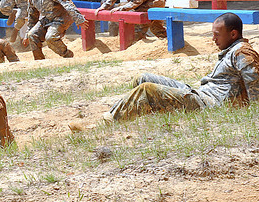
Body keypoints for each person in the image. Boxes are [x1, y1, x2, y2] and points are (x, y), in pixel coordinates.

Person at [106, 13, 259, 121]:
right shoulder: (232, 50)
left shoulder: (243, 52)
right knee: (142, 78)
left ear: (233, 34)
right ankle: (127, 114)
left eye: (217, 35)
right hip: (200, 94)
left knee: (147, 89)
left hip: (208, 104)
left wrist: (253, 115)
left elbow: (254, 85)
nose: (213, 39)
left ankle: (110, 120)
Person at [19, 0, 89, 60]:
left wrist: (78, 18)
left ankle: (68, 56)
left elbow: (66, 2)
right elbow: (32, 17)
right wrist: (27, 35)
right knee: (32, 35)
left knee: (50, 38)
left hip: (61, 18)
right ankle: (39, 61)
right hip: (48, 19)